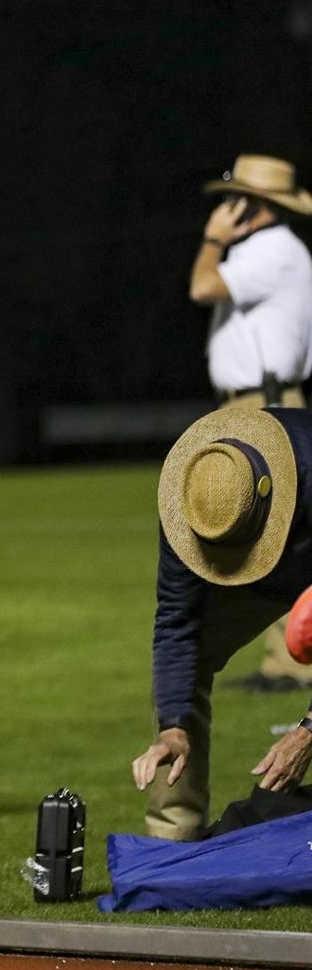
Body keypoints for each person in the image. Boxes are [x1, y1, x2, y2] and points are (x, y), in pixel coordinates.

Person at [130, 406, 312, 840]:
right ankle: (173, 845)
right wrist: (173, 726)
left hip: (305, 537)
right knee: (180, 677)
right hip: (267, 573)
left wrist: (307, 731)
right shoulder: (193, 494)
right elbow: (176, 621)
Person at [188, 154, 312, 691]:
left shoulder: (273, 249)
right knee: (262, 535)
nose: (225, 207)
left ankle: (291, 665)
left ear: (255, 207)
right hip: (253, 403)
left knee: (278, 535)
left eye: (234, 199)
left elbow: (201, 287)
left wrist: (214, 238)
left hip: (264, 405)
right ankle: (279, 662)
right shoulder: (270, 251)